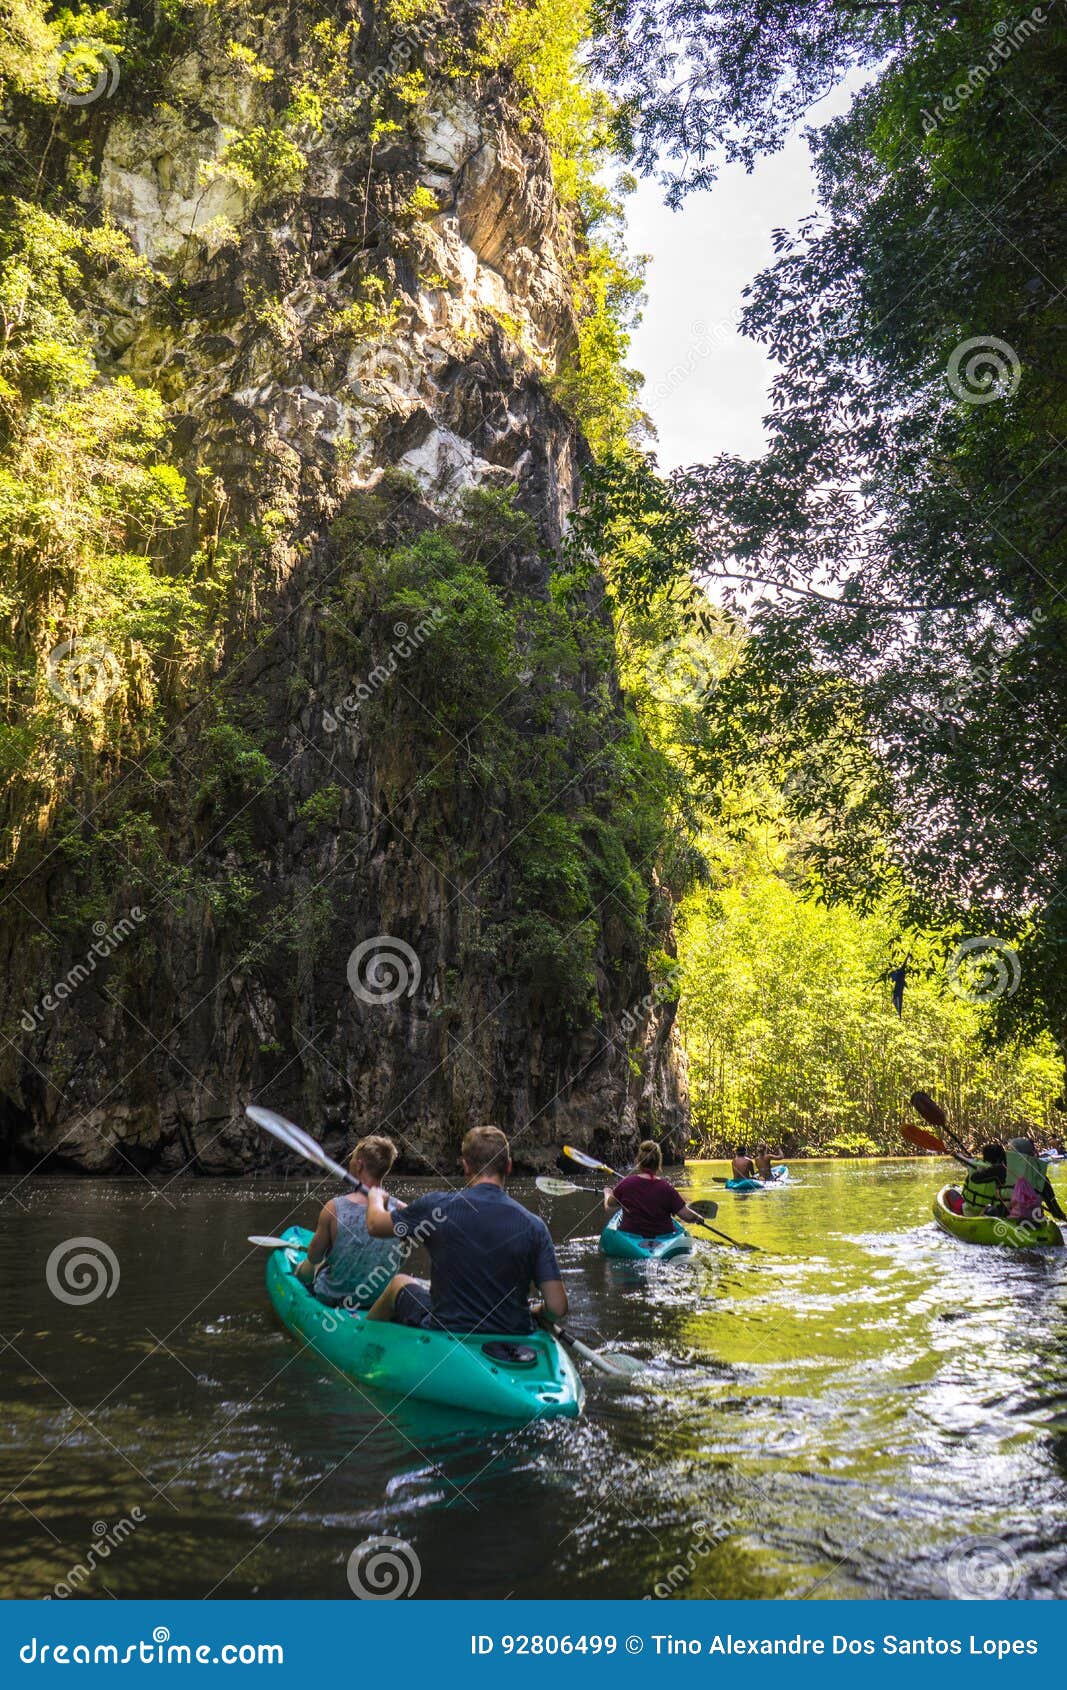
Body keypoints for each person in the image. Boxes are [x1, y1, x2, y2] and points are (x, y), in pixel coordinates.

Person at [363, 1124, 569, 1334]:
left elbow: (374, 1225)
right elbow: (558, 1307)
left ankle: (363, 1342)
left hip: (449, 1330)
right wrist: (537, 1312)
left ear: (466, 1166)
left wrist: (375, 1198)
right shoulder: (534, 1225)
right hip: (514, 1332)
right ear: (508, 1166)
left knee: (399, 1281)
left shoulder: (435, 1208)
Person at [295, 1135, 406, 1311]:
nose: (350, 1161)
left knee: (305, 1269)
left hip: (333, 1298)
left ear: (360, 1164)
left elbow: (314, 1257)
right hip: (378, 1302)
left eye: (352, 1158)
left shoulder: (334, 1208)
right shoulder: (403, 1211)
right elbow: (400, 1259)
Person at [603, 1140, 708, 1238]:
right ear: (659, 1163)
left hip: (632, 1237)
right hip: (663, 1238)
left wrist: (607, 1193)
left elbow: (610, 1204)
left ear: (638, 1161)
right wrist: (698, 1217)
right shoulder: (667, 1188)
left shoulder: (626, 1183)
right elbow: (687, 1216)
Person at [1002, 1136, 1065, 1222]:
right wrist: (1061, 1216)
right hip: (1031, 1218)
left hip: (1005, 1216)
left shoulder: (1000, 1170)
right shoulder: (1040, 1177)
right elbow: (1053, 1206)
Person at [960, 1142, 1007, 1216]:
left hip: (968, 1211)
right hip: (989, 1211)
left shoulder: (973, 1163)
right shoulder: (1001, 1171)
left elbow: (963, 1158)